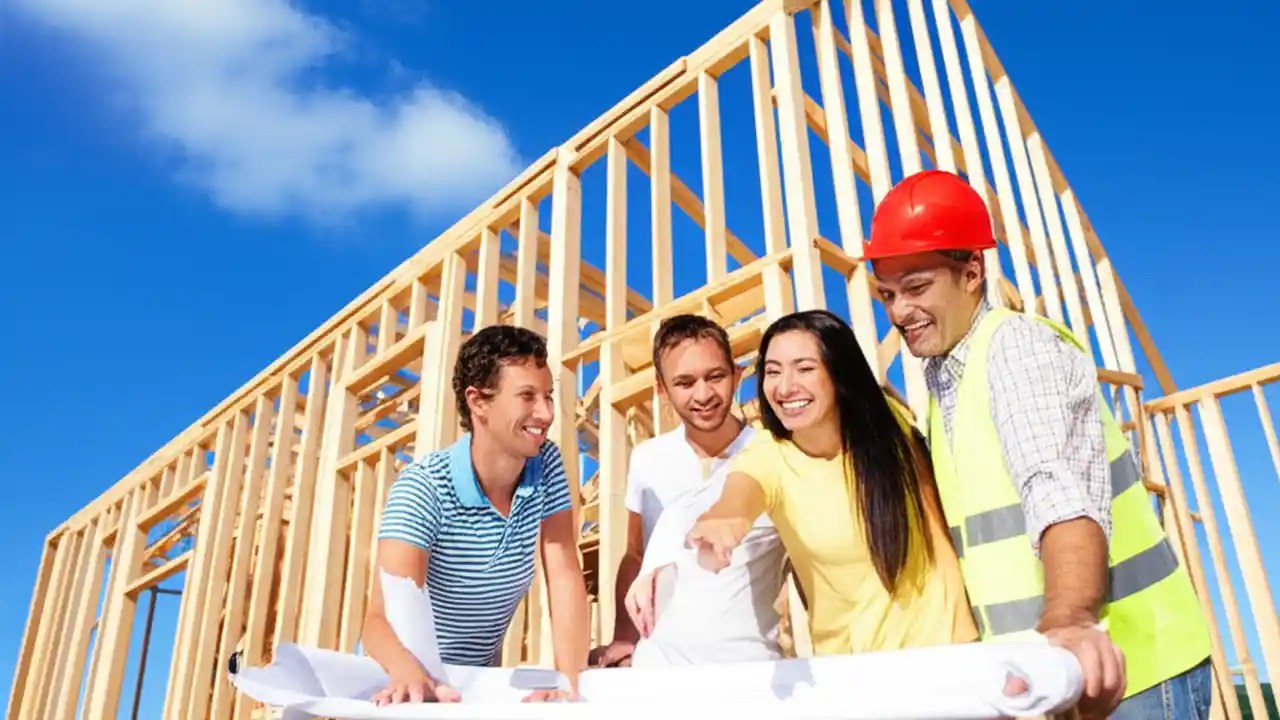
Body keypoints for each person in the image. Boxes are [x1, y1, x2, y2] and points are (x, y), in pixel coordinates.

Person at [864, 169, 1214, 719]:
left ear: (972, 272)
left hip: (1127, 665)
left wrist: (1070, 619)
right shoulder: (944, 384)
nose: (898, 311)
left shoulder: (1016, 349)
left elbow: (1057, 489)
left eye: (916, 288)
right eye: (887, 295)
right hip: (1053, 672)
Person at [675, 309, 978, 657]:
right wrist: (725, 518)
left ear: (839, 372)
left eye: (804, 368)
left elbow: (937, 526)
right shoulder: (769, 455)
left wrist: (972, 641)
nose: (785, 387)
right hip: (854, 671)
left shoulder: (887, 423)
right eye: (773, 371)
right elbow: (741, 493)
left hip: (948, 653)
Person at [360, 324, 589, 704]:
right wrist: (412, 678)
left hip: (475, 689)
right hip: (399, 682)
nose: (546, 413)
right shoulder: (425, 488)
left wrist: (569, 684)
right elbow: (378, 622)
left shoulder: (545, 464)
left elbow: (564, 571)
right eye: (527, 396)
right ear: (478, 401)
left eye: (548, 395)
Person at [588, 314, 788, 669]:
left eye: (716, 376)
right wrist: (624, 637)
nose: (704, 394)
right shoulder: (648, 459)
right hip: (660, 669)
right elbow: (635, 554)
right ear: (662, 389)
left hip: (751, 668)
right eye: (684, 382)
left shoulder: (774, 456)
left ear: (736, 375)